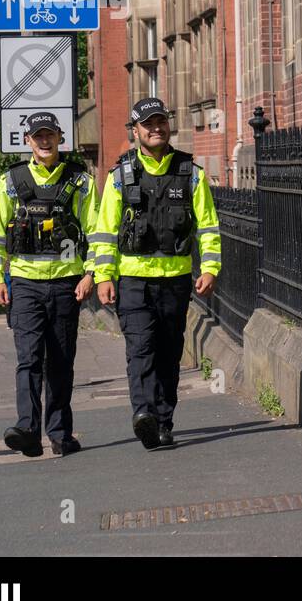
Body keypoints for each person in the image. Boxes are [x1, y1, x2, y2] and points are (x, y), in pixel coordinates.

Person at [92, 98, 220, 450]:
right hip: (133, 281)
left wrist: (209, 267)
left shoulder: (191, 173)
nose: (156, 128)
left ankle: (163, 421)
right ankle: (143, 414)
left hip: (175, 281)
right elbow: (104, 231)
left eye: (161, 121)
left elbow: (208, 226)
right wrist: (103, 275)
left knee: (168, 353)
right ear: (135, 131)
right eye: (148, 124)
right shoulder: (120, 176)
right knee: (141, 348)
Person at [0, 112, 98, 458]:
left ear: (60, 137)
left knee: (61, 362)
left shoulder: (80, 181)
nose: (44, 141)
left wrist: (91, 273)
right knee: (29, 359)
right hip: (24, 285)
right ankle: (27, 429)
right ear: (28, 142)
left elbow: (96, 232)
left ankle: (60, 434)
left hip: (66, 284)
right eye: (38, 136)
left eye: (50, 135)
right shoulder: (10, 182)